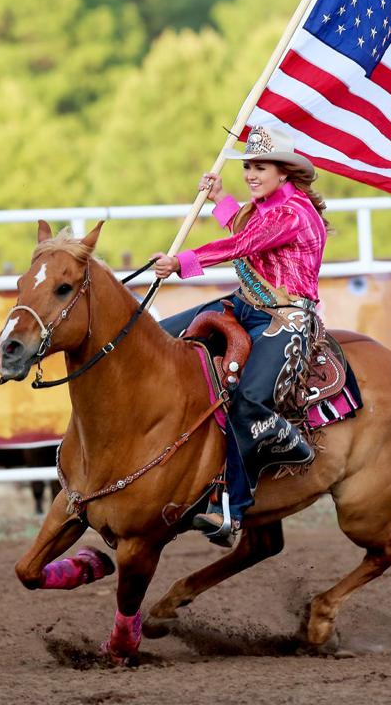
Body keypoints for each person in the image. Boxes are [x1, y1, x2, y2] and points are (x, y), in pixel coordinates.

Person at [152, 126, 329, 542]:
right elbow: (246, 227)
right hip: (246, 304)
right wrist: (219, 199)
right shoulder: (268, 208)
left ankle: (231, 504)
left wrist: (181, 262)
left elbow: (244, 243)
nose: (251, 173)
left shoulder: (293, 213)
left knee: (244, 400)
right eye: (248, 166)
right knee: (159, 341)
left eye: (260, 167)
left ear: (284, 173)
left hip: (286, 318)